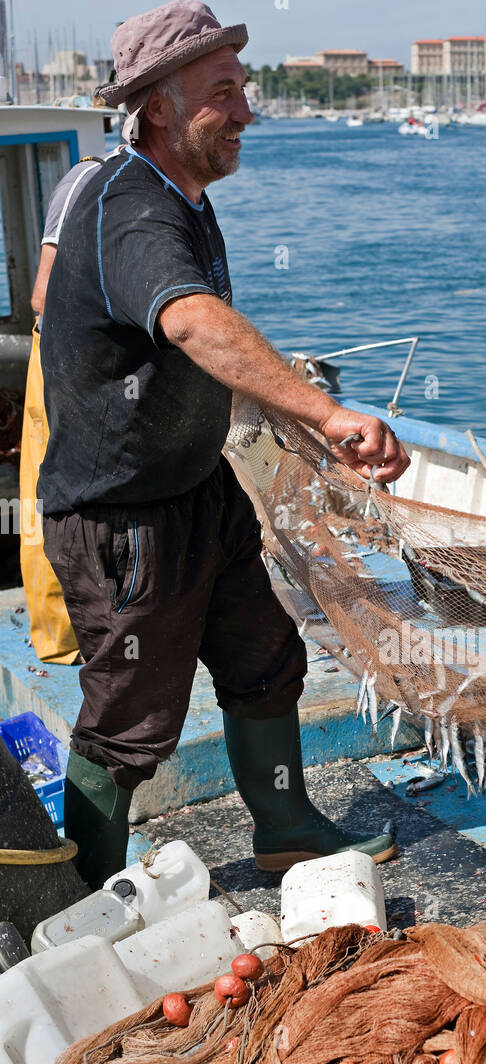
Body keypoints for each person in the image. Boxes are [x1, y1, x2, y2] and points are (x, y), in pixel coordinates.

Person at [38, 2, 410, 889]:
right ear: (158, 109)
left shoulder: (182, 197)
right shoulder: (132, 206)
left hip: (200, 493)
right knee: (129, 725)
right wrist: (328, 415)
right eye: (221, 95)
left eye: (243, 88)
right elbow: (196, 323)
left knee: (265, 658)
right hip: (124, 521)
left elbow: (205, 354)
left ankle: (285, 828)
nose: (245, 111)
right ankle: (81, 897)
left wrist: (286, 423)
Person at [22, 154, 120, 666]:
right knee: (51, 488)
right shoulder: (89, 180)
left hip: (87, 364)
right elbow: (44, 294)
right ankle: (61, 637)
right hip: (63, 361)